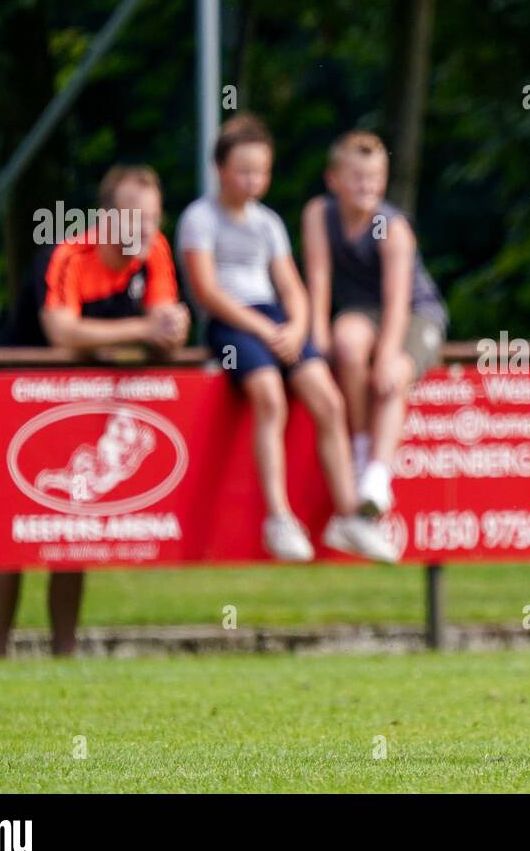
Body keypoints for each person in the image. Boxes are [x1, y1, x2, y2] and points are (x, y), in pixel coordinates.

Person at [0, 164, 189, 657]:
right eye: (133, 218)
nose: (144, 230)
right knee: (9, 535)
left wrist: (171, 327)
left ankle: (64, 652)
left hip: (83, 404)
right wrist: (144, 331)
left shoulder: (155, 253)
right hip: (21, 401)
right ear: (106, 218)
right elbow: (63, 333)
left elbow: (168, 328)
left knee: (71, 534)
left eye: (152, 219)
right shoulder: (67, 256)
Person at [177, 114, 397, 562]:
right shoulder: (199, 219)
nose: (254, 181)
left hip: (275, 320)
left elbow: (291, 284)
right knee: (269, 395)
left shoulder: (269, 223)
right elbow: (207, 291)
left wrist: (296, 325)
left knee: (329, 400)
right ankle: (279, 517)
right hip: (229, 327)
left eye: (261, 171)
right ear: (220, 169)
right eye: (244, 171)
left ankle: (351, 515)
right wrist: (260, 328)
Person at [301, 131, 448, 515]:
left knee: (392, 377)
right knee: (346, 343)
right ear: (334, 179)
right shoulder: (320, 215)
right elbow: (319, 279)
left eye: (374, 177)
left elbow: (398, 302)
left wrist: (385, 356)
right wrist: (317, 341)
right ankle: (361, 447)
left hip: (415, 312)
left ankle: (378, 479)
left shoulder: (391, 227)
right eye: (357, 177)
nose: (367, 185)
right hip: (363, 309)